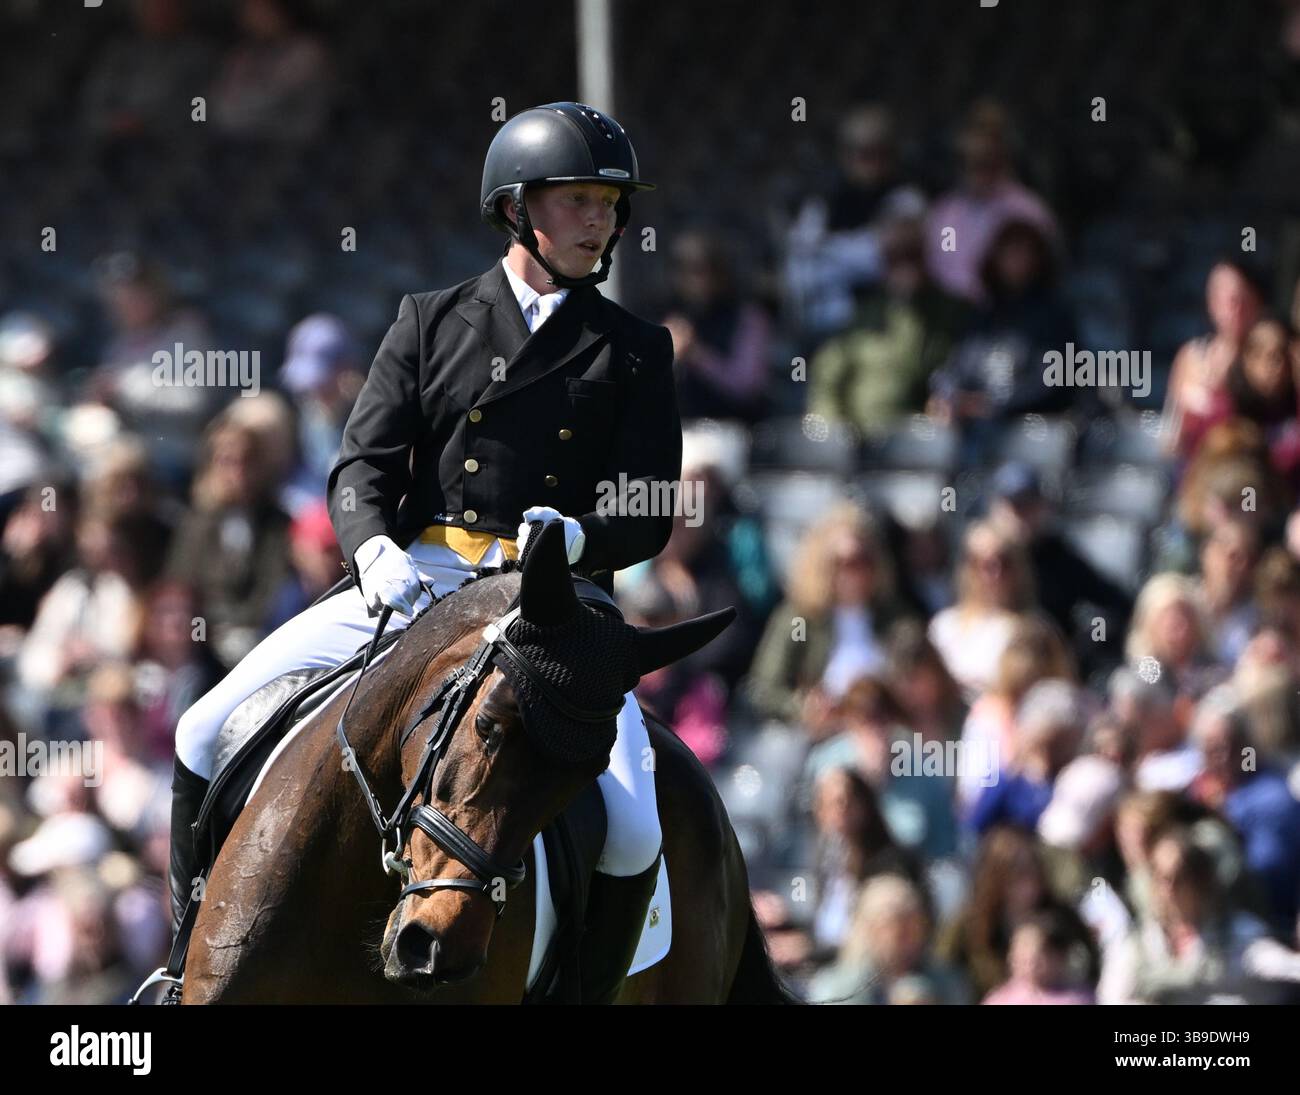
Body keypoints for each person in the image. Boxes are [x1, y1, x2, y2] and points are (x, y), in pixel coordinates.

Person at [167, 103, 681, 1004]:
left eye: (608, 204)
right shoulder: (430, 319)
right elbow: (362, 462)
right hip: (419, 580)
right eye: (579, 201)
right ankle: (180, 967)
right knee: (201, 730)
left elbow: (650, 509)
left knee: (633, 830)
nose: (601, 220)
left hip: (552, 606)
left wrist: (581, 537)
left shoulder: (635, 349)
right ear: (519, 210)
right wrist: (370, 549)